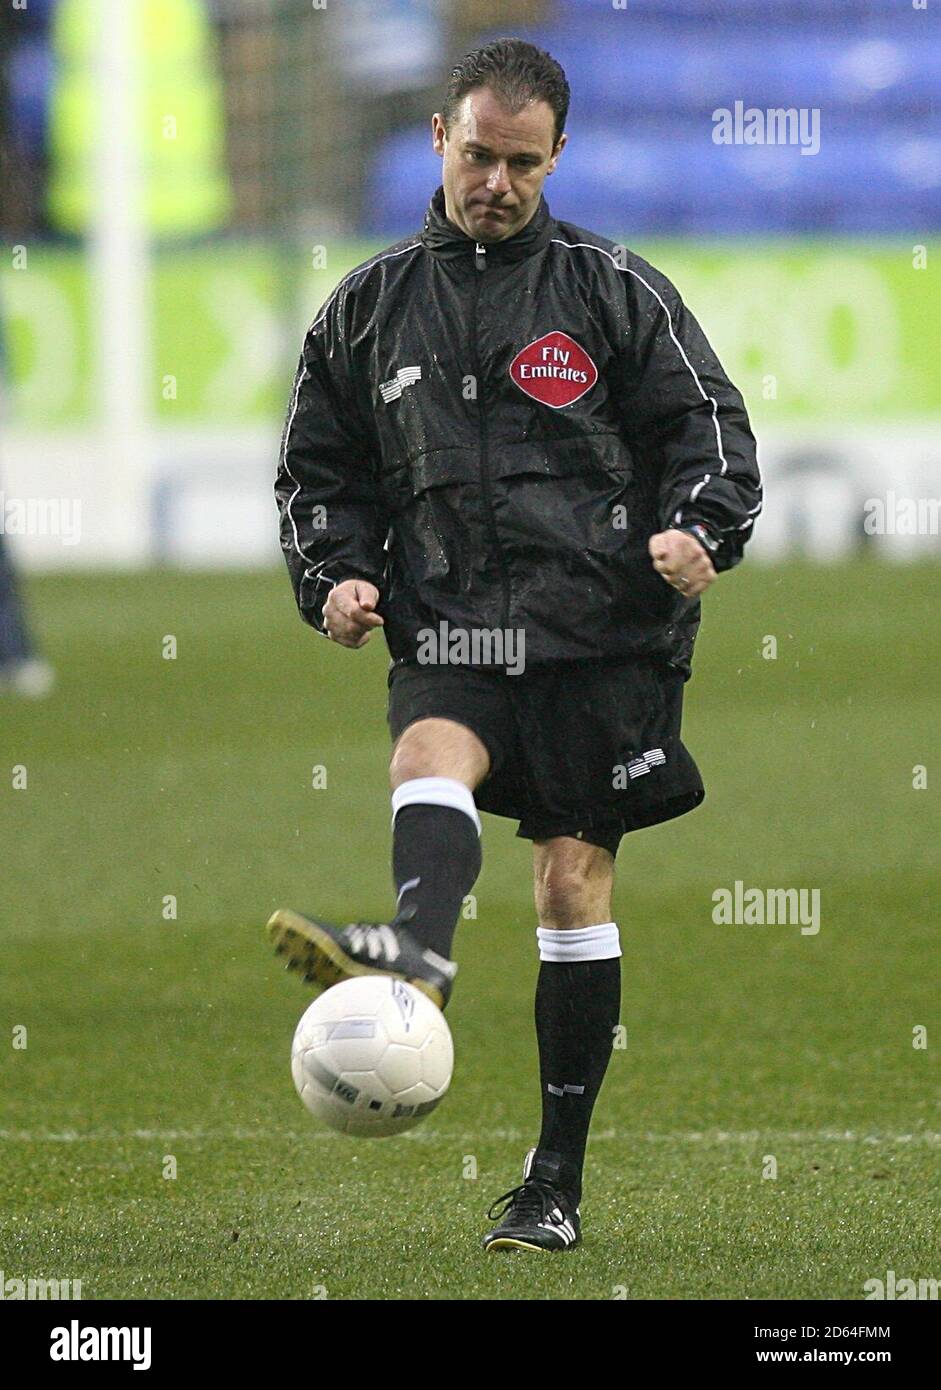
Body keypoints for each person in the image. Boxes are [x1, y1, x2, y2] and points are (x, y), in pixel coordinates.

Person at [268, 37, 761, 1252]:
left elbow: (711, 433)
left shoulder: (612, 290)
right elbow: (316, 479)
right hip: (451, 621)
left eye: (521, 164)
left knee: (565, 881)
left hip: (601, 633)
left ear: (555, 159)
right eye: (478, 153)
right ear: (438, 137)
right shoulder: (365, 309)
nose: (495, 180)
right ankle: (420, 954)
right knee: (427, 747)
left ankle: (552, 1179)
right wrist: (334, 578)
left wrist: (698, 529)